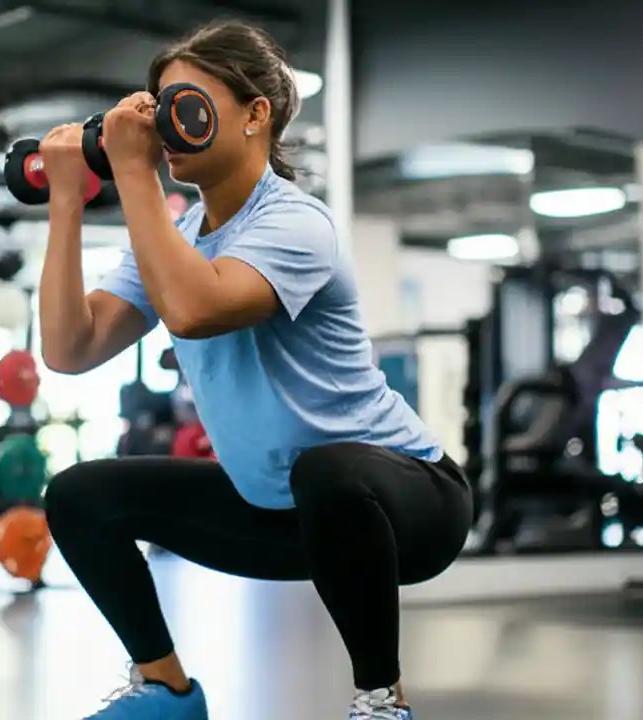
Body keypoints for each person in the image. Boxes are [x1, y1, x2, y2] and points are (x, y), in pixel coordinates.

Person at [35, 20, 472, 720]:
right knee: (82, 494)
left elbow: (195, 309)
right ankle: (167, 692)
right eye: (159, 109)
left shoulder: (298, 223)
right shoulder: (174, 239)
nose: (169, 130)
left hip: (406, 506)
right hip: (278, 509)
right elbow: (70, 349)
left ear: (255, 115)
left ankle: (382, 701)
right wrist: (66, 202)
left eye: (187, 107)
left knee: (326, 471)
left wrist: (135, 173)